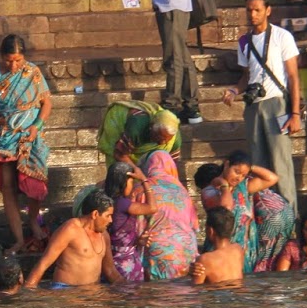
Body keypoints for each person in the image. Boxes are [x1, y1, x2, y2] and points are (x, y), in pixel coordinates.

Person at [229, 0, 301, 207]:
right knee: (256, 163)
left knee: (281, 163)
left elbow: (293, 76)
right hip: (253, 106)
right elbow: (246, 77)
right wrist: (234, 91)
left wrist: (295, 113)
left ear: (268, 11)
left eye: (257, 10)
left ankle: (290, 216)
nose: (252, 14)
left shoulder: (282, 36)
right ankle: (262, 213)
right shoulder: (244, 41)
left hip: (276, 104)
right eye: (249, 10)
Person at [0, 34, 52, 251]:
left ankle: (32, 220)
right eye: (9, 60)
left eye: (18, 60)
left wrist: (36, 126)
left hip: (29, 137)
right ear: (2, 57)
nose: (13, 65)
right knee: (8, 187)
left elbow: (46, 104)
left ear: (24, 58)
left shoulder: (33, 72)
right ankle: (19, 239)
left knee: (34, 184)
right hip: (2, 136)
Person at [113, 110, 197, 280]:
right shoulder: (183, 192)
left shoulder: (140, 190)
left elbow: (133, 226)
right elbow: (194, 225)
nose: (163, 141)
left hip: (158, 253)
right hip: (186, 253)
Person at [23, 190, 122, 288]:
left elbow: (110, 270)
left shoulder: (104, 236)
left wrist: (128, 289)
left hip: (93, 295)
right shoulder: (70, 230)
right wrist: (28, 291)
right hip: (65, 292)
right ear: (95, 214)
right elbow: (43, 264)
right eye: (108, 215)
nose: (111, 220)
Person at [99, 160, 156, 283]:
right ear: (122, 183)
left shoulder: (104, 200)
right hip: (124, 263)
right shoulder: (122, 203)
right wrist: (144, 180)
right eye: (131, 182)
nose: (132, 186)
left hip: (107, 260)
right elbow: (152, 208)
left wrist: (138, 241)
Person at [189, 208, 244, 284]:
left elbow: (195, 288)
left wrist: (189, 273)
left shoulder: (204, 260)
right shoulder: (238, 250)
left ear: (211, 231)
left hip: (218, 294)